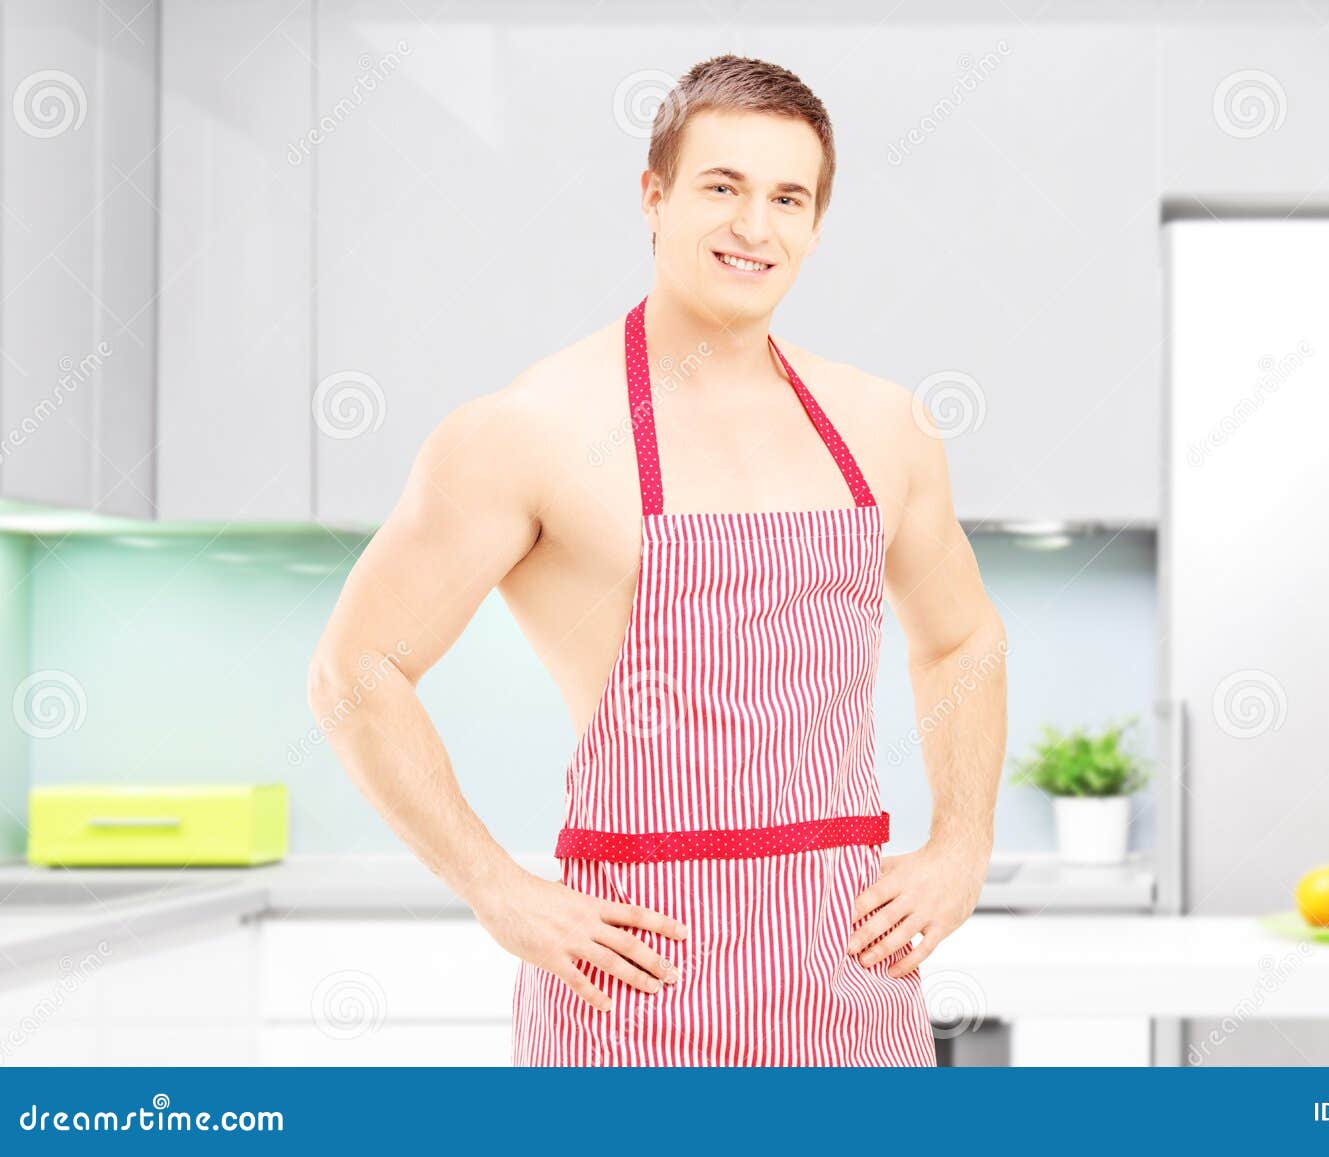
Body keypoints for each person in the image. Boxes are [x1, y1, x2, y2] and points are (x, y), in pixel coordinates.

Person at [306, 54, 1007, 1066]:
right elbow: (353, 672)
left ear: (814, 224)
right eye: (721, 187)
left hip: (849, 984)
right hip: (632, 988)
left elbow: (962, 637)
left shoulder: (882, 427)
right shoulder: (529, 430)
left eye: (786, 197)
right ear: (654, 195)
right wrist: (500, 891)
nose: (752, 227)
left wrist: (960, 843)